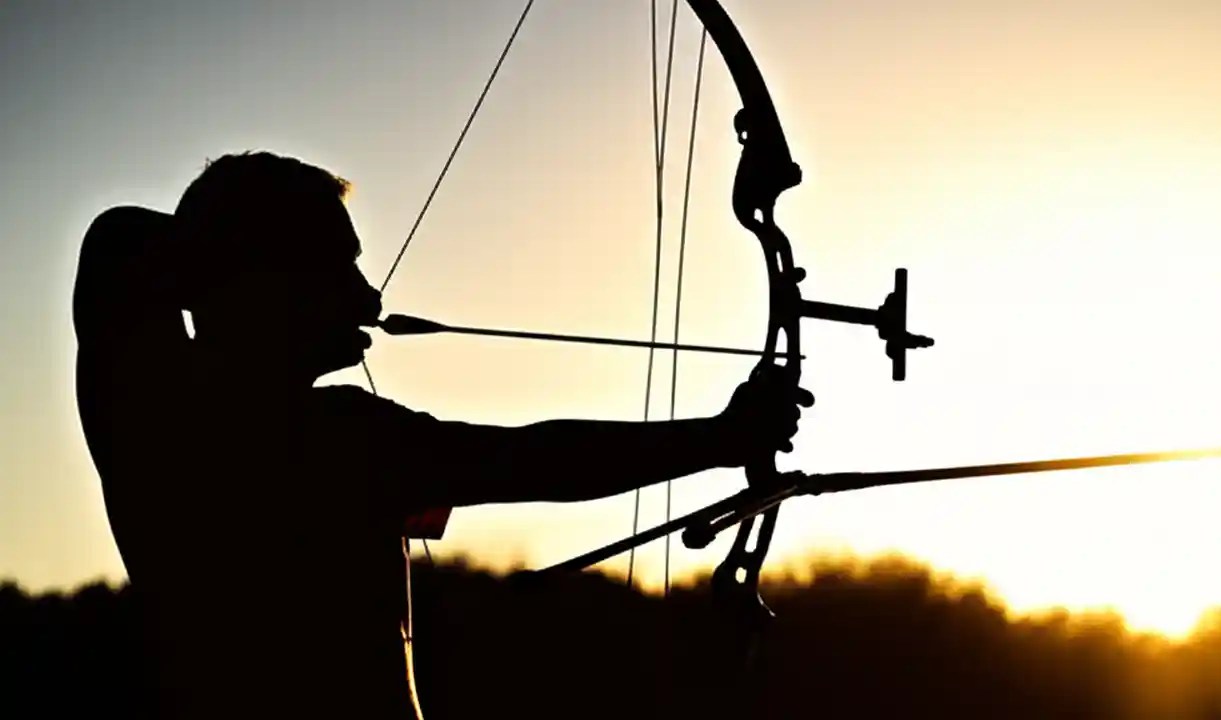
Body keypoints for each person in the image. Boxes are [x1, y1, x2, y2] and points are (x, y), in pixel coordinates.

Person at [73, 151, 812, 719]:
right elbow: (535, 459)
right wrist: (723, 437)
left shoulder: (140, 410)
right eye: (341, 268)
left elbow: (116, 240)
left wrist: (236, 266)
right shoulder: (328, 441)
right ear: (269, 281)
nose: (370, 296)